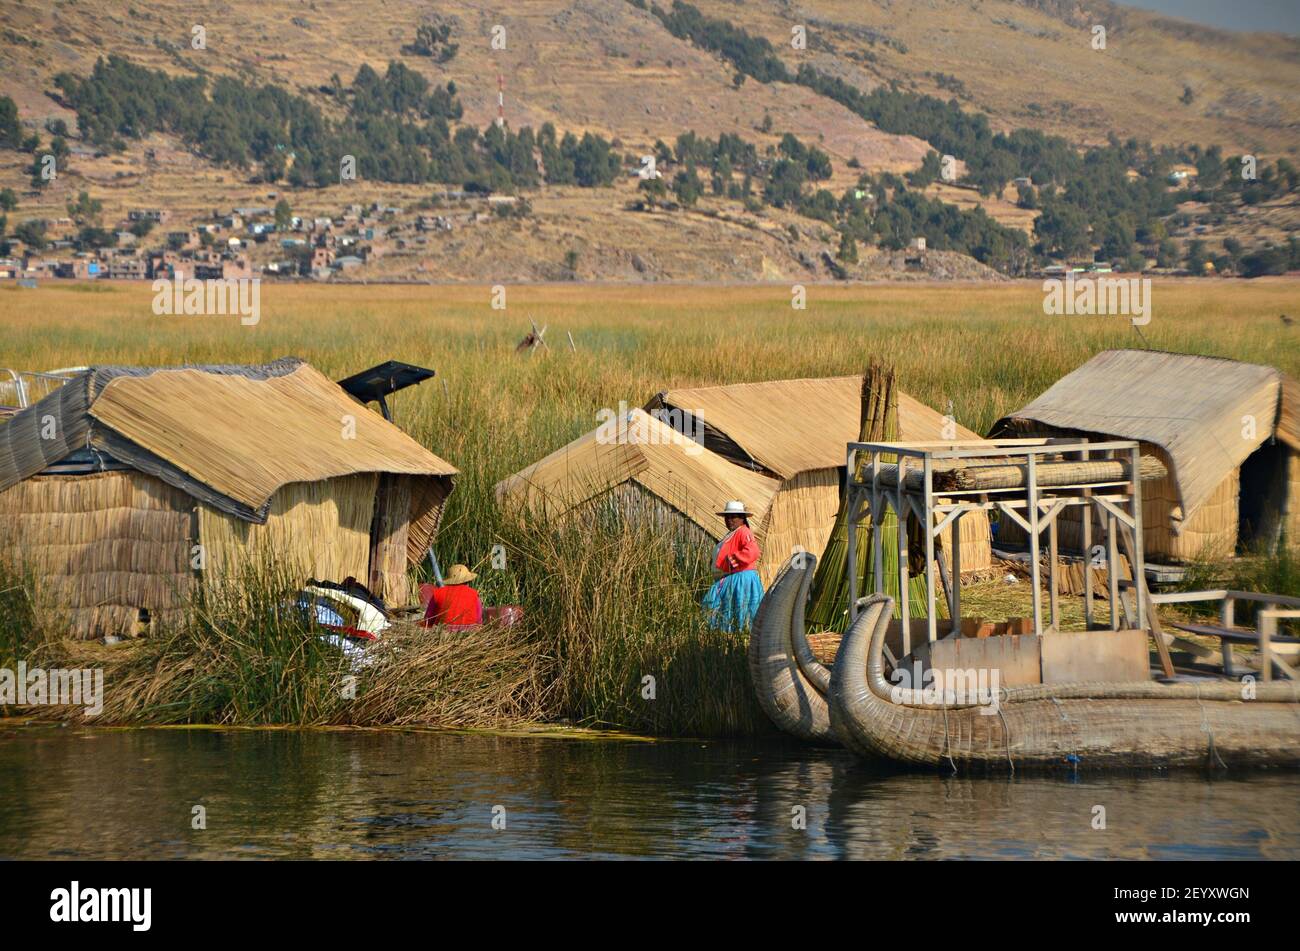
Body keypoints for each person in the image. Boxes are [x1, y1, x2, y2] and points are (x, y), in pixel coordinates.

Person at [702, 500, 764, 631]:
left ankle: (740, 636)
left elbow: (753, 551)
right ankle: (729, 636)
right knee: (721, 605)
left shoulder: (743, 532)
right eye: (727, 517)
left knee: (736, 607)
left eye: (733, 517)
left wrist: (732, 561)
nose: (729, 520)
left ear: (742, 518)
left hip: (741, 578)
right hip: (733, 578)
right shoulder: (732, 533)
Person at [422, 564, 483, 628]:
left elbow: (428, 620)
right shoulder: (474, 594)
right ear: (467, 581)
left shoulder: (438, 593)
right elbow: (478, 621)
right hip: (470, 633)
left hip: (443, 634)